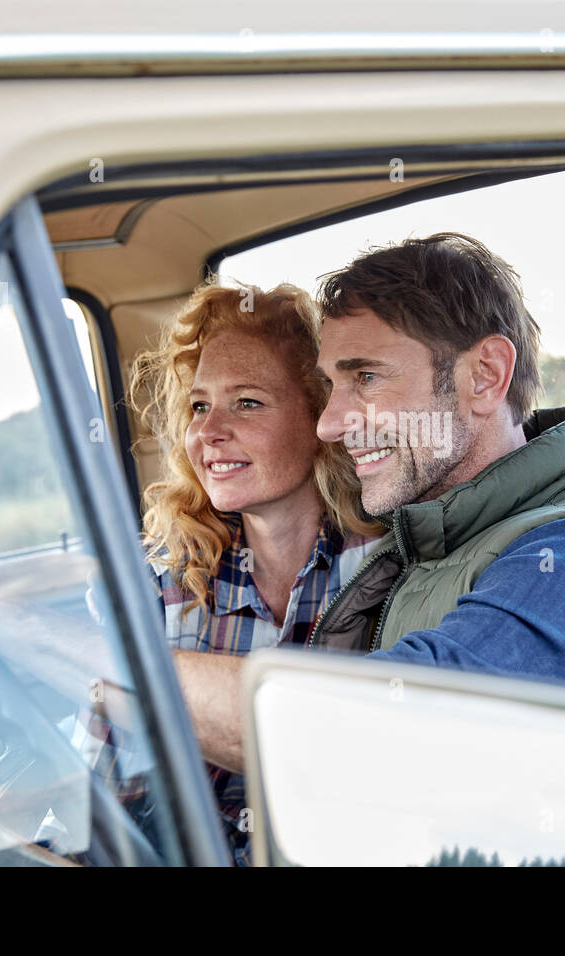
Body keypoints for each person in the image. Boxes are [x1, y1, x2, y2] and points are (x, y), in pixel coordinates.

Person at [172, 233, 565, 775]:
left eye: (366, 377)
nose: (330, 424)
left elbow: (378, 731)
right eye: (332, 385)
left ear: (484, 376)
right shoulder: (431, 542)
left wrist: (124, 663)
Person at [126, 280, 382, 860]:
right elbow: (106, 784)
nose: (208, 432)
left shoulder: (385, 571)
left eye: (247, 402)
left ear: (319, 417)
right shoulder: (171, 583)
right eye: (198, 405)